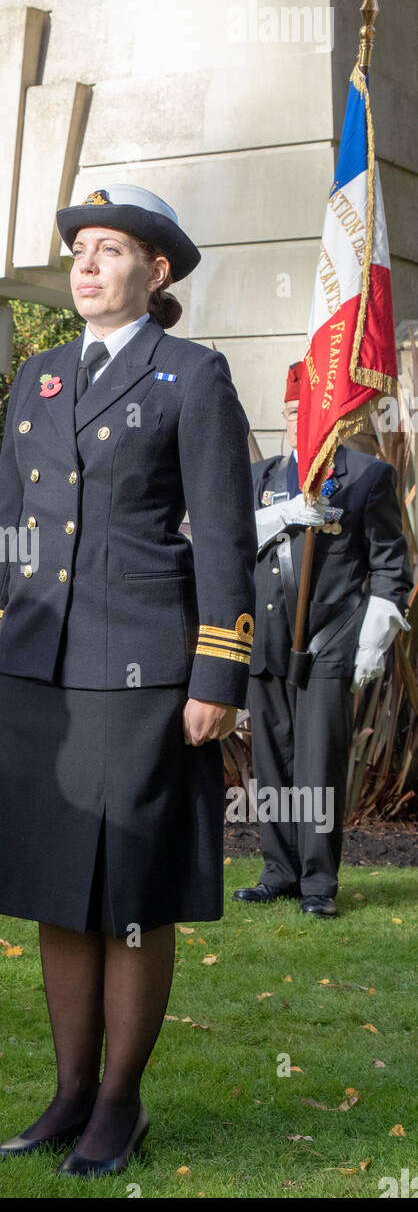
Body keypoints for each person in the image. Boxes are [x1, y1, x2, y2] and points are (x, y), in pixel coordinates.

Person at [0, 184, 257, 1176]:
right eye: (77, 250)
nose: (85, 264)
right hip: (41, 663)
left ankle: (121, 1102)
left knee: (129, 887)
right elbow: (8, 522)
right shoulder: (38, 377)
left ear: (155, 271)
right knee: (58, 884)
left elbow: (224, 532)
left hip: (142, 673)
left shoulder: (190, 375)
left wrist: (216, 668)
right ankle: (69, 1091)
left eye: (108, 249)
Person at [233, 361, 411, 917]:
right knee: (273, 760)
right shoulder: (263, 478)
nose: (295, 423)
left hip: (330, 639)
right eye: (289, 412)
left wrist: (372, 642)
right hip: (266, 640)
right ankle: (278, 871)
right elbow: (231, 542)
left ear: (332, 418)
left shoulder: (366, 476)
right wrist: (287, 513)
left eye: (306, 412)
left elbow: (389, 566)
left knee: (319, 764)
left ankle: (317, 883)